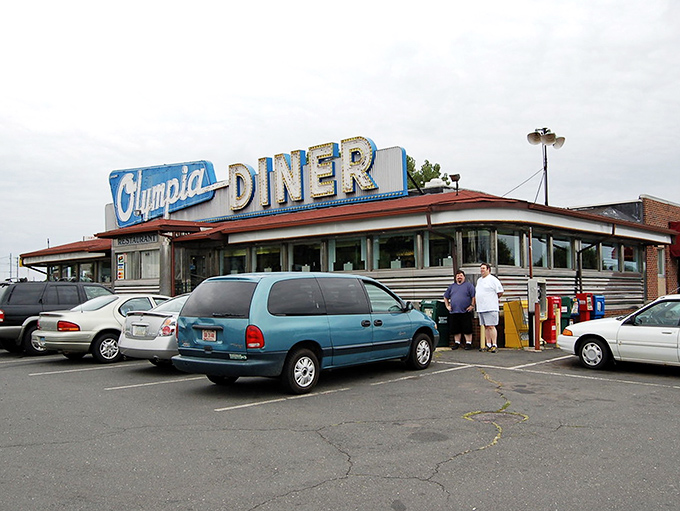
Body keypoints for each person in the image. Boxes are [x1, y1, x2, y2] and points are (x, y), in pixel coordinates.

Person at [443, 269, 476, 350]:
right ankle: (457, 343)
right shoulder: (452, 287)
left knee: (467, 328)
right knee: (456, 329)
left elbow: (473, 296)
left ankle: (468, 343)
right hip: (454, 311)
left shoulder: (469, 286)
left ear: (464, 277)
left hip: (465, 311)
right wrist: (447, 306)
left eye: (461, 275)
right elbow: (445, 297)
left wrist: (472, 305)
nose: (459, 277)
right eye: (457, 276)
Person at [475, 262, 504, 353]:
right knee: (485, 326)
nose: (481, 270)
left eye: (483, 268)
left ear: (488, 269)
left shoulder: (493, 280)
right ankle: (488, 344)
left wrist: (492, 299)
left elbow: (500, 292)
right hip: (481, 308)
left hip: (490, 307)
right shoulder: (479, 280)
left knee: (491, 326)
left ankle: (494, 344)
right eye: (481, 268)